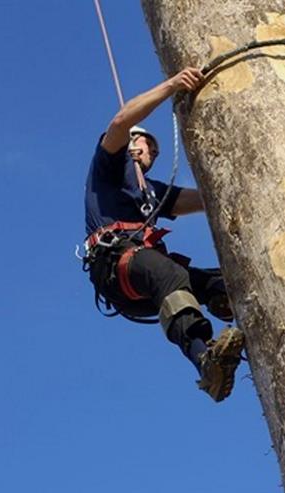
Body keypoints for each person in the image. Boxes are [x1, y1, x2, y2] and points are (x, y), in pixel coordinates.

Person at [83, 67, 245, 402]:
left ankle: (230, 304)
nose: (152, 153)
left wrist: (240, 185)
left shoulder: (152, 191)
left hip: (145, 273)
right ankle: (206, 362)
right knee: (169, 273)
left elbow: (201, 200)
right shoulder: (111, 165)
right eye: (146, 144)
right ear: (131, 144)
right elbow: (119, 124)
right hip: (117, 263)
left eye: (156, 152)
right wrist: (172, 85)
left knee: (215, 281)